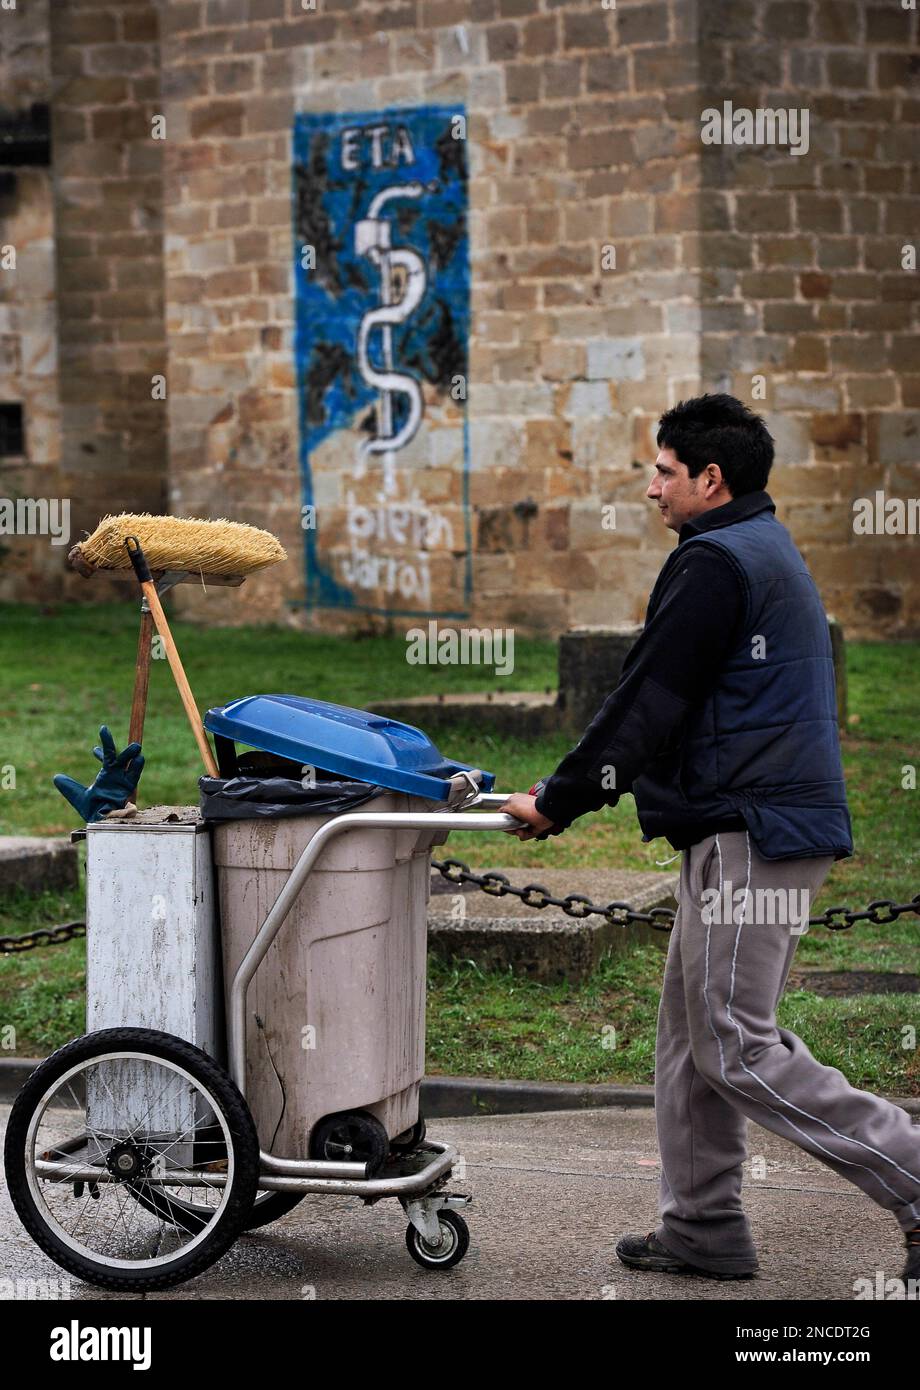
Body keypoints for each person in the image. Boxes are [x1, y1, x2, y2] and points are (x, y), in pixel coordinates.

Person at [500, 393, 920, 1283]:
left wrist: (559, 800)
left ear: (710, 479)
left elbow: (648, 702)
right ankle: (702, 1227)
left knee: (735, 1044)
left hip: (753, 832)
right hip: (743, 826)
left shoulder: (715, 562)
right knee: (692, 1044)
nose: (652, 489)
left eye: (664, 472)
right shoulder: (757, 544)